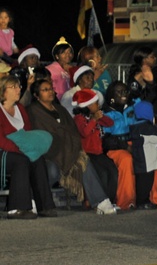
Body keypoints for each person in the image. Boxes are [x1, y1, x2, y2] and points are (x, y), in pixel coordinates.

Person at [28, 79, 118, 215]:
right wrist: (61, 138)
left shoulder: (60, 109)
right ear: (36, 95)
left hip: (67, 150)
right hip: (47, 154)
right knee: (52, 171)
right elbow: (39, 132)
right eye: (45, 90)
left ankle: (101, 202)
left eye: (51, 88)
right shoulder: (33, 110)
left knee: (83, 162)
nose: (50, 92)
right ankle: (31, 199)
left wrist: (66, 141)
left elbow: (72, 130)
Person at [0, 75, 57, 218]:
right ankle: (16, 209)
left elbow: (28, 133)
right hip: (3, 152)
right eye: (14, 87)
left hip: (19, 150)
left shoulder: (20, 108)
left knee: (38, 159)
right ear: (3, 91)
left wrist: (29, 148)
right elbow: (1, 140)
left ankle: (44, 206)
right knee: (21, 161)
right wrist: (21, 150)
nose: (19, 89)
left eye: (19, 86)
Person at [72, 88, 135, 209]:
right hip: (87, 153)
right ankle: (98, 202)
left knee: (113, 171)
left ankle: (110, 202)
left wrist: (99, 116)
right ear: (88, 105)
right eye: (95, 103)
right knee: (103, 173)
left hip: (99, 152)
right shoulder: (79, 118)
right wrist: (94, 119)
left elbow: (110, 123)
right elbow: (84, 132)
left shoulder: (95, 116)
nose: (98, 105)